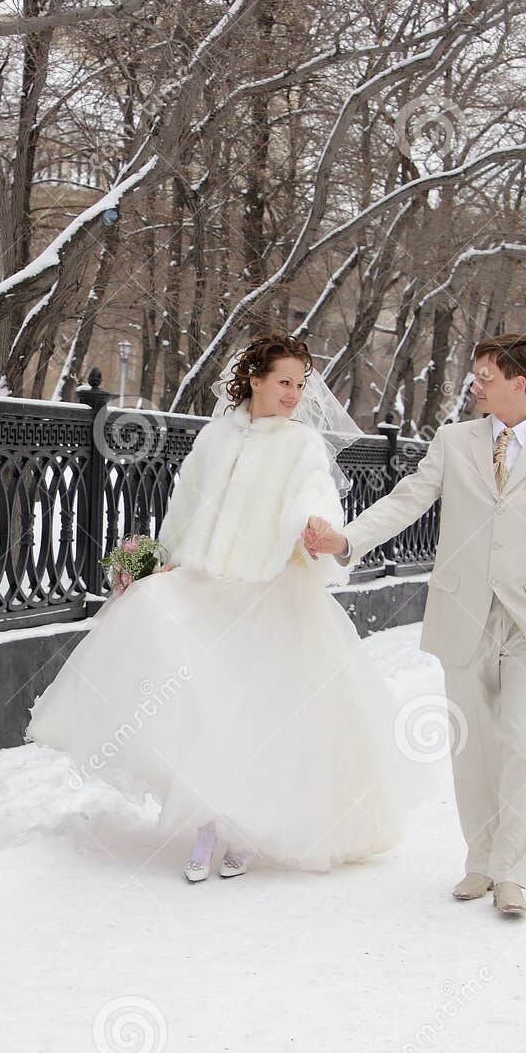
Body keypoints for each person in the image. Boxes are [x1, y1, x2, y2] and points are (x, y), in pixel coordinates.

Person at [26, 333, 417, 883]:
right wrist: (162, 557)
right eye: (284, 381)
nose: (293, 394)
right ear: (254, 379)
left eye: (300, 385)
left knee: (256, 712)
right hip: (204, 583)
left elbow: (313, 491)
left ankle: (243, 830)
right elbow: (186, 504)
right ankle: (206, 819)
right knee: (198, 700)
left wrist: (316, 524)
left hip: (268, 589)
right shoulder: (214, 437)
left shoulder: (300, 444)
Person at [304, 335, 526, 916]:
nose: (475, 384)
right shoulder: (454, 441)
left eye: (485, 376)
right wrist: (347, 538)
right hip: (462, 612)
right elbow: (409, 498)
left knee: (524, 741)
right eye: (475, 375)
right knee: (473, 741)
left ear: (518, 383)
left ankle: (515, 872)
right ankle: (480, 860)